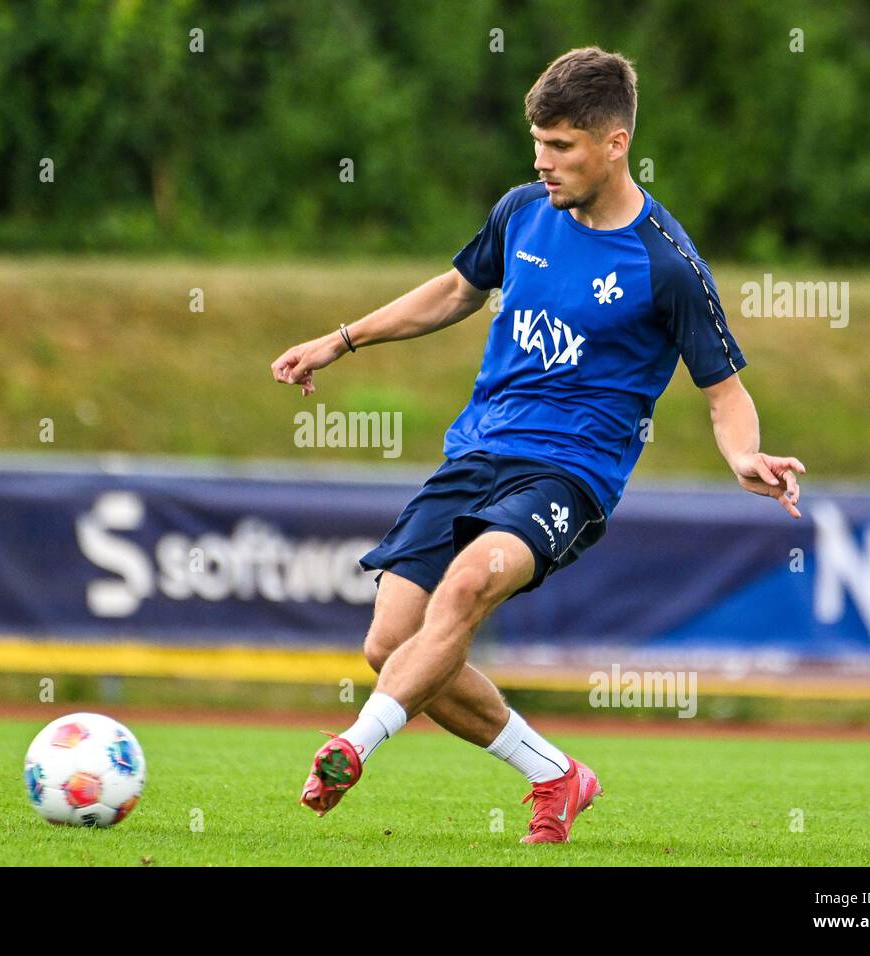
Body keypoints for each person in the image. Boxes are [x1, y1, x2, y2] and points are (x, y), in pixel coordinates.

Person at [270, 46, 805, 844]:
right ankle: (557, 774)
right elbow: (456, 289)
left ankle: (353, 745)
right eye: (537, 144)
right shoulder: (523, 210)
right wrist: (341, 340)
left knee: (464, 589)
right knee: (390, 647)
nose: (543, 162)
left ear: (615, 143)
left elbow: (724, 393)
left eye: (561, 147)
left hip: (569, 474)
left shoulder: (667, 263)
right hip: (475, 455)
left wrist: (743, 457)